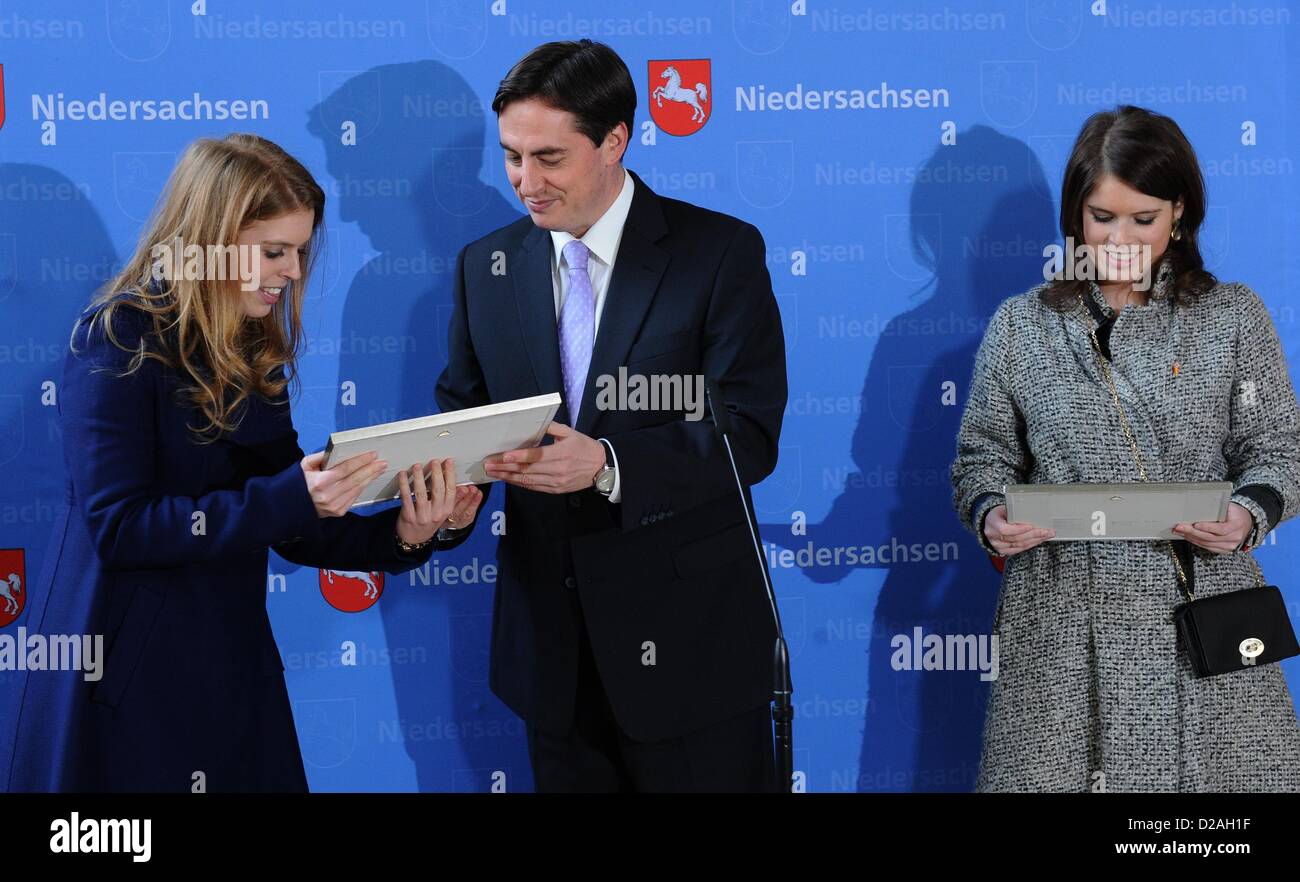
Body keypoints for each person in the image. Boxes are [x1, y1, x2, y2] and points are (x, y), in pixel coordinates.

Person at [1, 134, 483, 792]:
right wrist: (292, 496)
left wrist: (410, 531)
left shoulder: (250, 348)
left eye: (299, 252)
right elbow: (120, 527)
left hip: (230, 666)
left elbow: (292, 522)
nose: (291, 271)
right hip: (127, 680)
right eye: (273, 251)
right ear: (211, 238)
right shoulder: (117, 340)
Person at [435, 40, 788, 792]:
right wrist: (449, 502)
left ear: (614, 142)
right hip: (553, 669)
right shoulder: (485, 267)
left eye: (549, 159)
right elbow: (461, 418)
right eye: (511, 156)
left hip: (693, 655)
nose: (525, 183)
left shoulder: (717, 252)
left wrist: (608, 466)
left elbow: (748, 432)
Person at [951, 105, 1300, 792]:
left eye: (1143, 219)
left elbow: (1279, 448)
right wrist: (991, 513)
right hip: (1058, 627)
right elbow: (981, 459)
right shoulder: (1024, 325)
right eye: (1102, 217)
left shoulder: (1233, 315)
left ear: (1180, 214)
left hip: (1204, 617)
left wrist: (1249, 512)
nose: (1121, 240)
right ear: (1075, 215)